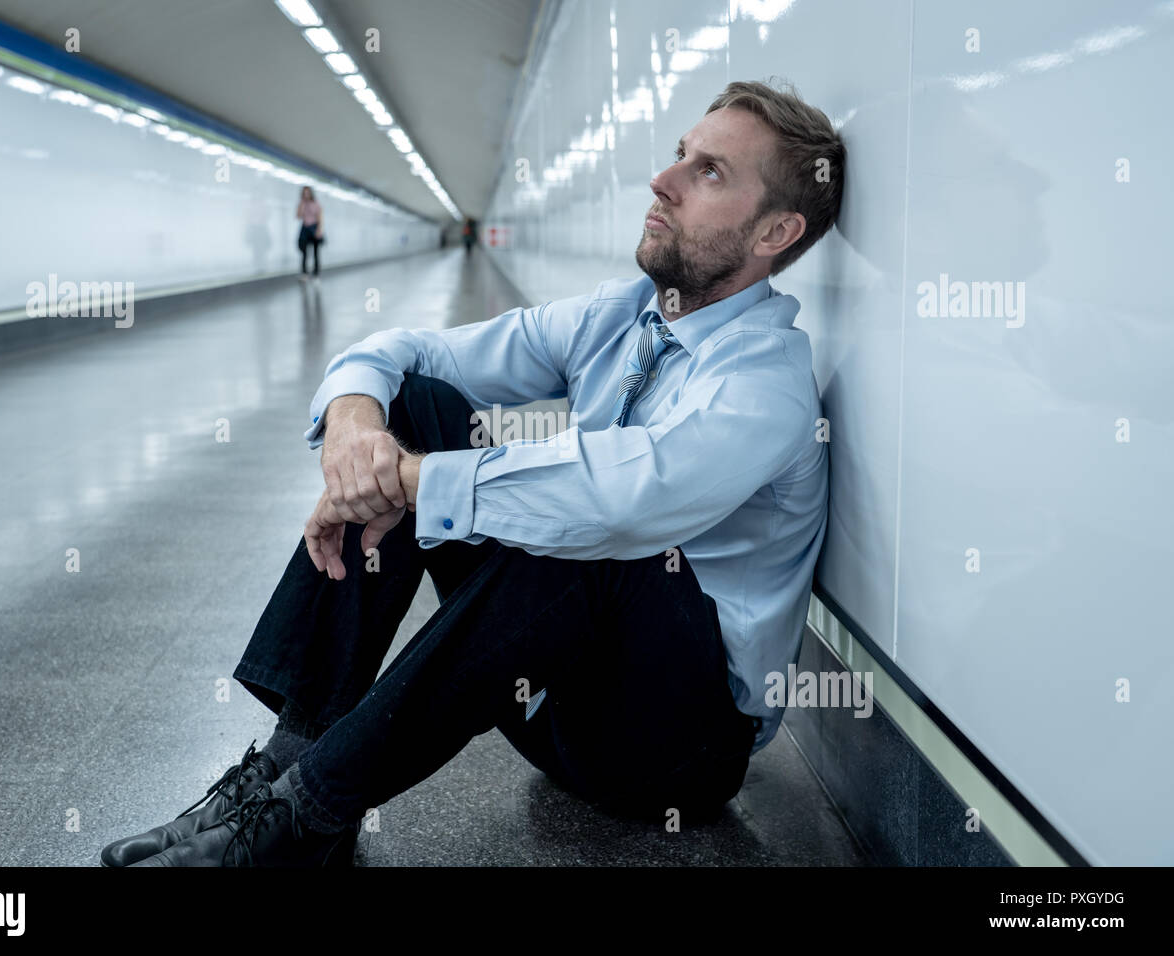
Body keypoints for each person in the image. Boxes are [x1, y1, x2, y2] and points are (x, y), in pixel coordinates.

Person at [100, 79, 845, 867]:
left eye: (711, 173)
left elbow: (620, 500)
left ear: (777, 231)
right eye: (679, 158)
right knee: (415, 404)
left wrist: (412, 482)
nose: (664, 181)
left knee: (596, 539)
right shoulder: (624, 314)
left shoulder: (765, 380)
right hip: (548, 706)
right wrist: (357, 430)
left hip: (671, 755)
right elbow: (413, 353)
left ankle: (310, 812)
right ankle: (282, 773)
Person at [296, 186, 324, 277]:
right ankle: (304, 271)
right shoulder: (302, 203)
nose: (306, 195)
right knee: (304, 251)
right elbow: (298, 216)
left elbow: (319, 217)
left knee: (316, 251)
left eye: (308, 193)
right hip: (305, 228)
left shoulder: (316, 204)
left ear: (311, 193)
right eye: (304, 193)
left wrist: (319, 230)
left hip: (314, 227)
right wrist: (302, 204)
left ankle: (316, 272)